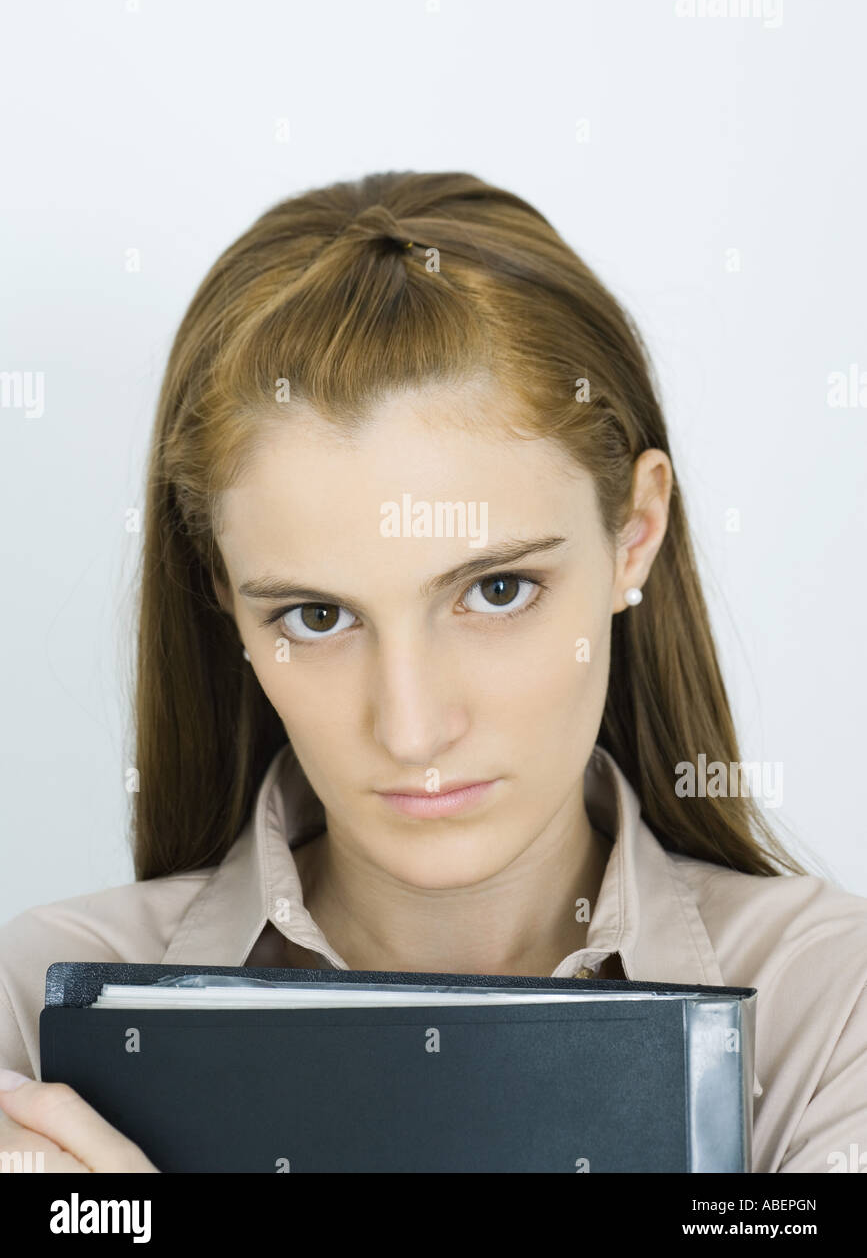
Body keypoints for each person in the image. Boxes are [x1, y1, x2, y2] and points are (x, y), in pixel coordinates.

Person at [1, 170, 865, 1174]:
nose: (411, 728)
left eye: (495, 591)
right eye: (316, 616)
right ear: (222, 592)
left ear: (635, 531)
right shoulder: (33, 1016)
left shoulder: (828, 1008)